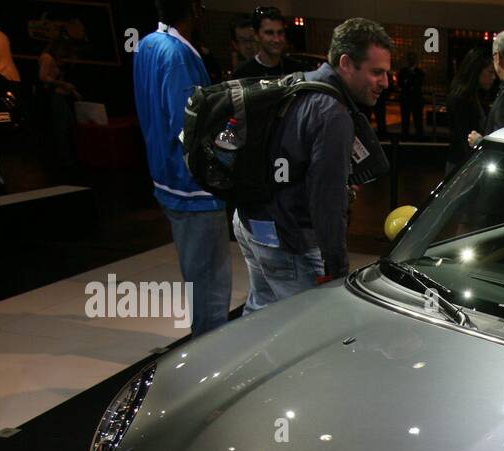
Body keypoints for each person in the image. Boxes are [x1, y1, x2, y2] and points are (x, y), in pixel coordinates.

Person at [234, 18, 392, 311]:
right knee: (305, 330)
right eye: (376, 72)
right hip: (289, 238)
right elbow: (326, 201)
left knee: (259, 318)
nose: (385, 82)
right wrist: (336, 269)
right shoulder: (332, 113)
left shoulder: (299, 82)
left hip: (251, 224)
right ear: (346, 63)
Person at [133, 0, 231, 336]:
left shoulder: (147, 44)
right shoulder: (177, 55)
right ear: (192, 10)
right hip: (193, 188)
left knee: (198, 277)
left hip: (166, 178)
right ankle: (209, 360)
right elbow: (188, 127)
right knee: (210, 286)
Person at [445, 47, 493, 175]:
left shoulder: (477, 96)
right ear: (477, 70)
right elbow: (464, 138)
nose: (493, 77)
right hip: (462, 165)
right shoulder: (460, 98)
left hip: (470, 162)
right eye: (490, 72)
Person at [37, 36, 80, 170]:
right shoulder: (47, 58)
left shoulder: (53, 60)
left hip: (59, 96)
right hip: (53, 97)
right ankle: (64, 159)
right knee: (61, 128)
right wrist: (63, 84)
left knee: (67, 126)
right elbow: (43, 77)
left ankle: (68, 156)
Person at [232, 6, 288, 79]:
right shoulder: (242, 74)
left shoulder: (298, 69)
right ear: (256, 35)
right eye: (269, 33)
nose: (276, 39)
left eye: (280, 32)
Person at [397, 50, 424, 137]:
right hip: (407, 99)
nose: (411, 60)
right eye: (410, 58)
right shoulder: (404, 71)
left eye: (412, 58)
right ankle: (406, 137)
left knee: (418, 120)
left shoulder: (419, 73)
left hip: (415, 100)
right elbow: (401, 83)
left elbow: (416, 83)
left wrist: (407, 82)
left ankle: (419, 138)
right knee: (405, 120)